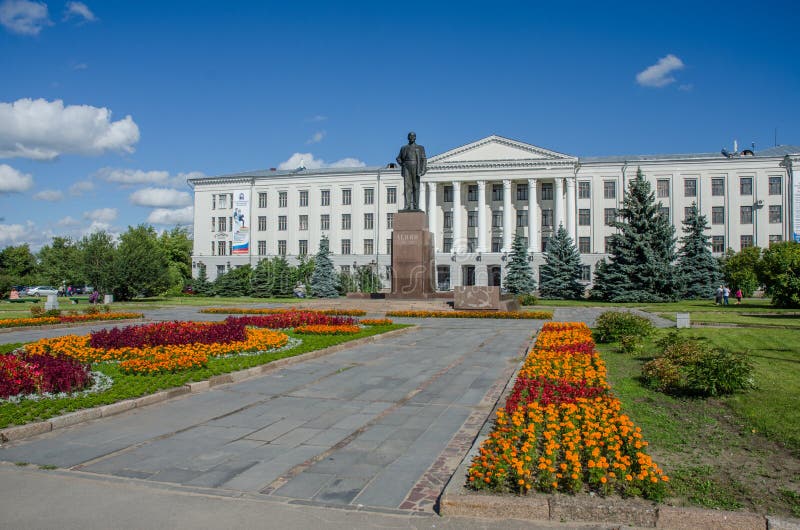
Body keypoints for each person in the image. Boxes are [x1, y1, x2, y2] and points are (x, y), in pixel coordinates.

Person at [396, 131, 427, 211]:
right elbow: (398, 158)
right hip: (406, 167)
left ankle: (416, 206)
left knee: (416, 187)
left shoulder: (420, 147)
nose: (412, 137)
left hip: (416, 167)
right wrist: (402, 164)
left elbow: (424, 159)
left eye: (413, 136)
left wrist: (423, 170)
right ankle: (407, 205)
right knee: (407, 187)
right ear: (408, 138)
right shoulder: (404, 148)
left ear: (415, 138)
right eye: (410, 136)